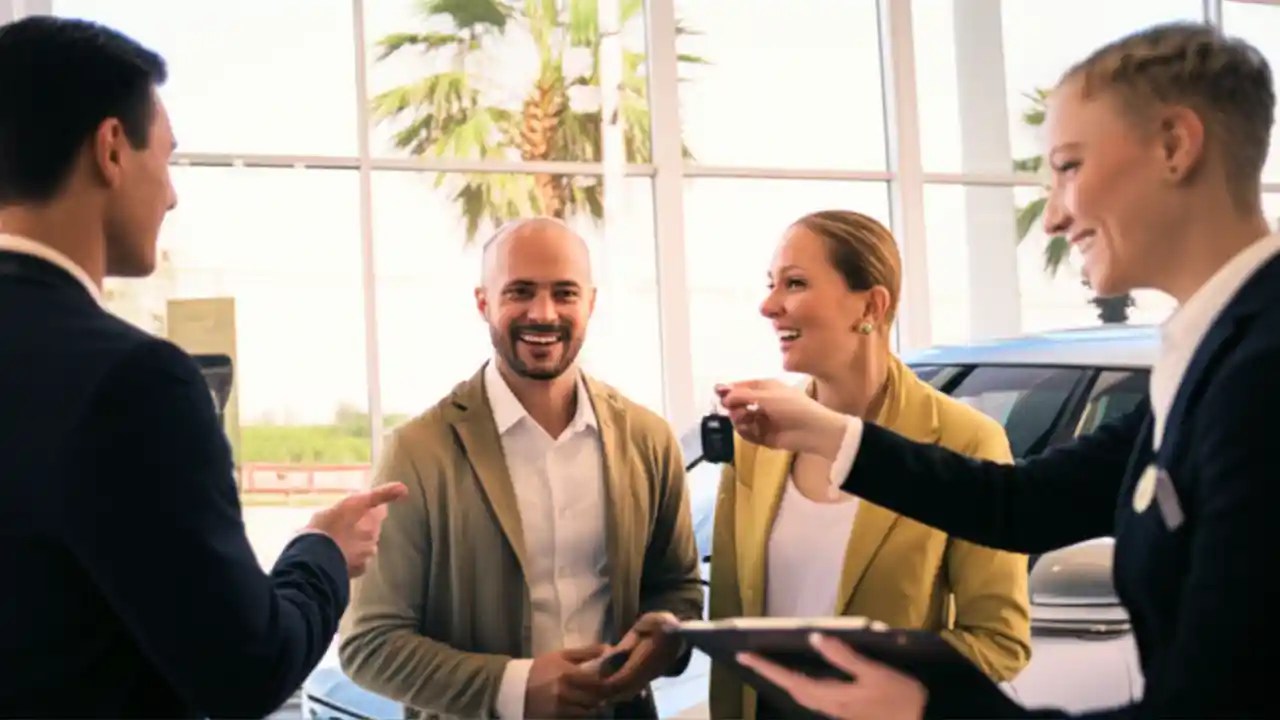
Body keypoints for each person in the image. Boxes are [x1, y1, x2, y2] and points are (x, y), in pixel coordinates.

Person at [717, 21, 1280, 720]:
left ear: (1174, 145)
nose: (1052, 216)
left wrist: (929, 710)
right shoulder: (1206, 357)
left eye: (1069, 167)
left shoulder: (1261, 372)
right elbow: (1021, 505)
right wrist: (827, 432)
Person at [0, 15, 407, 719]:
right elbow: (245, 668)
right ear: (111, 149)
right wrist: (324, 553)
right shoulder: (134, 384)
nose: (172, 193)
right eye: (169, 157)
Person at [338, 217, 704, 720]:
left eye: (565, 293)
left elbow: (678, 589)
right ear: (484, 302)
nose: (543, 313)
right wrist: (517, 688)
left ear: (591, 303)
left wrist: (664, 640)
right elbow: (369, 645)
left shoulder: (648, 439)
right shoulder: (417, 451)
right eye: (520, 292)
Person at [707, 210, 1031, 720]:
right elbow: (728, 629)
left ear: (872, 305)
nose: (769, 306)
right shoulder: (755, 438)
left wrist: (885, 691)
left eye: (794, 283)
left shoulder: (965, 440)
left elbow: (999, 640)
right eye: (771, 284)